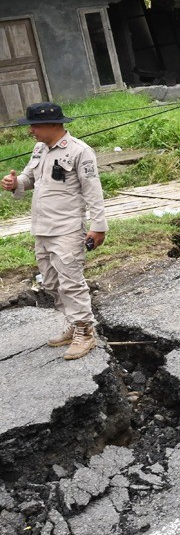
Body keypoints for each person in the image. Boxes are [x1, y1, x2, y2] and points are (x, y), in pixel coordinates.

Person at [3, 103, 108, 361]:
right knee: (51, 283)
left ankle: (85, 332)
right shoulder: (40, 149)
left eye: (34, 126)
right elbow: (29, 179)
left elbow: (93, 191)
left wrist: (98, 227)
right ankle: (73, 323)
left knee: (71, 282)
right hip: (42, 228)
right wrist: (15, 183)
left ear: (54, 125)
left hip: (68, 229)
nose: (31, 131)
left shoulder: (80, 152)